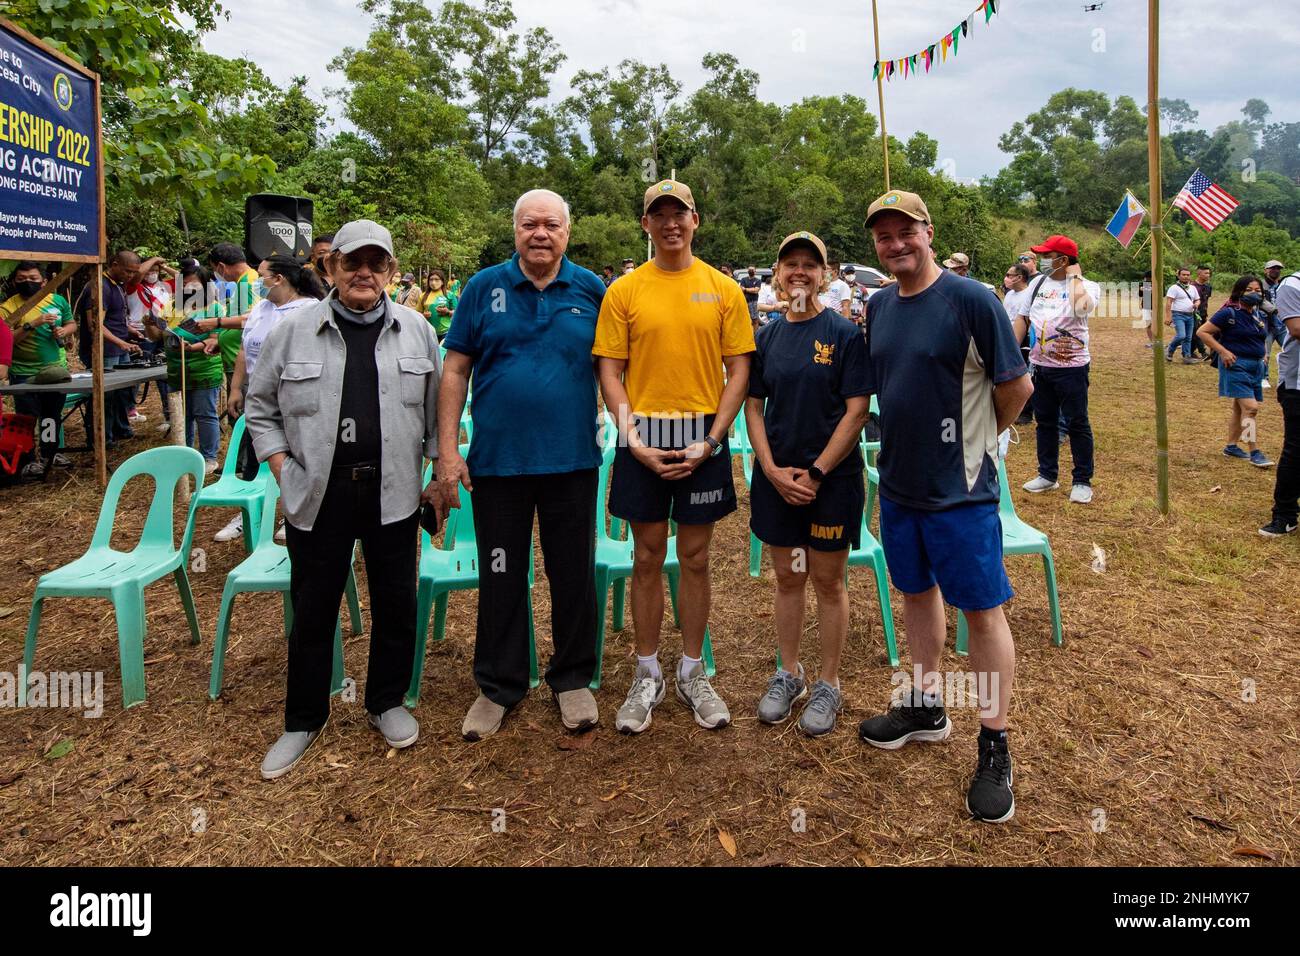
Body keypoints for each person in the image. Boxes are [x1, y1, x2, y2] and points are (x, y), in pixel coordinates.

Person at [856, 189, 1033, 824]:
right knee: (916, 593)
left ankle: (994, 741)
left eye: (907, 231)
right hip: (900, 487)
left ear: (928, 233)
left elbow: (1016, 385)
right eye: (884, 235)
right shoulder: (878, 304)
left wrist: (982, 444)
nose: (896, 243)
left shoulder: (971, 299)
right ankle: (925, 705)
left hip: (962, 492)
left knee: (982, 612)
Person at [246, 219, 441, 779]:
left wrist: (434, 475)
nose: (364, 273)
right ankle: (303, 718)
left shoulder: (418, 330)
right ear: (328, 267)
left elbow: (433, 416)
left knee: (397, 603)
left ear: (390, 272)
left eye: (377, 264)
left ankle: (385, 701)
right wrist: (284, 470)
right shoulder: (293, 329)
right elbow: (260, 410)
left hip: (395, 493)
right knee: (313, 609)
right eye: (353, 261)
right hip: (317, 494)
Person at [438, 189, 605, 741]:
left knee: (572, 573)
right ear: (515, 230)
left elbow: (615, 368)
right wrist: (446, 450)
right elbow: (456, 369)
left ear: (567, 232)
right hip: (498, 466)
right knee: (503, 573)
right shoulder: (484, 288)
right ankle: (498, 684)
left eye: (551, 225)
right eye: (529, 224)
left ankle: (573, 677)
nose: (540, 234)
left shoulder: (591, 290)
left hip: (572, 462)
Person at [594, 179, 754, 734]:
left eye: (679, 214)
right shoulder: (625, 290)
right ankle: (646, 674)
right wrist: (631, 436)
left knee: (695, 557)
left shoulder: (723, 289)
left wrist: (711, 440)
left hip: (701, 439)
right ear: (645, 225)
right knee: (644, 556)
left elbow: (740, 371)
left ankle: (691, 671)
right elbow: (609, 371)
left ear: (695, 220)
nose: (670, 224)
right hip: (642, 437)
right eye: (658, 215)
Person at [746, 231, 869, 737]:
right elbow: (754, 406)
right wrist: (773, 470)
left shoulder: (843, 334)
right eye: (790, 263)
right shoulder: (768, 336)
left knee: (828, 580)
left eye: (809, 265)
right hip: (777, 480)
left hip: (830, 482)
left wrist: (816, 472)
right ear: (778, 272)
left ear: (824, 274)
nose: (799, 272)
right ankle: (788, 673)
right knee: (789, 577)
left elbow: (857, 409)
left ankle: (829, 683)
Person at [214, 255, 327, 544]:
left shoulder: (309, 310)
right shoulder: (261, 308)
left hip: (294, 400)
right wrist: (237, 388)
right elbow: (244, 349)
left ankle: (294, 515)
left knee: (295, 459)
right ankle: (249, 512)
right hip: (260, 398)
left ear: (279, 279)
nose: (257, 282)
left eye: (261, 276)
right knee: (256, 455)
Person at [1015, 235, 1101, 504]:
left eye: (1047, 256)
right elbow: (1023, 318)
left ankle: (1082, 480)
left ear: (1063, 260)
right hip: (1040, 366)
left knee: (1077, 423)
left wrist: (1074, 277)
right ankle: (1047, 474)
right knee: (1046, 422)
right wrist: (1008, 351)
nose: (1041, 262)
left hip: (1072, 368)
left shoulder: (1087, 286)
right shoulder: (1038, 284)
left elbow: (1081, 307)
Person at [142, 265, 225, 474]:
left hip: (204, 369)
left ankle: (209, 457)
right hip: (176, 369)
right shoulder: (170, 307)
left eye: (193, 283)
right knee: (181, 414)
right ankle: (183, 455)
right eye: (184, 283)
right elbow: (156, 336)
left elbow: (215, 339)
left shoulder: (215, 309)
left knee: (204, 413)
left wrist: (191, 347)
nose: (188, 286)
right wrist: (149, 324)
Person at [1, 262, 77, 476]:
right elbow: (8, 340)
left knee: (51, 416)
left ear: (44, 281)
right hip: (24, 371)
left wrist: (64, 331)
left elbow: (72, 324)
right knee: (26, 417)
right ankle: (26, 459)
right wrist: (31, 324)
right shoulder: (8, 307)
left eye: (33, 279)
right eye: (22, 279)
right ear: (14, 281)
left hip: (54, 371)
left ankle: (49, 454)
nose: (27, 282)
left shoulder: (57, 300)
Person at [1196, 275, 1274, 468]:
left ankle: (1231, 446)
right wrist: (1223, 352)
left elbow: (1261, 338)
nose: (1255, 294)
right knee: (1251, 408)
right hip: (1236, 365)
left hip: (1256, 367)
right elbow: (1202, 332)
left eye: (1258, 291)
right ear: (1239, 292)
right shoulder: (1228, 313)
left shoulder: (1256, 315)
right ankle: (1254, 451)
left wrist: (1264, 354)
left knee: (1239, 408)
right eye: (1249, 290)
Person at [73, 250, 145, 445]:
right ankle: (101, 439)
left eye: (133, 272)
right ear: (114, 264)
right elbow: (95, 324)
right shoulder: (99, 286)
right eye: (127, 271)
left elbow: (115, 319)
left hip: (120, 348)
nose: (130, 276)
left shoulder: (118, 285)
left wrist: (130, 332)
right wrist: (121, 342)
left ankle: (120, 429)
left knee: (122, 393)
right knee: (105, 395)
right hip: (105, 350)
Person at [1261, 265, 1300, 536]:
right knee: (1296, 451)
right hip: (1298, 384)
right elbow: (1296, 328)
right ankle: (1285, 513)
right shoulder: (1292, 285)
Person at [199, 242, 261, 399]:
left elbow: (251, 321)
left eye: (214, 269)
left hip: (242, 363)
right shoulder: (244, 281)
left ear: (221, 266)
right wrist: (220, 339)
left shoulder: (248, 283)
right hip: (235, 358)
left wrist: (215, 322)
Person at [1164, 266, 1201, 365]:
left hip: (1190, 315)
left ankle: (1186, 356)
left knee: (1188, 338)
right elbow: (1168, 303)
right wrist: (1168, 316)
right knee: (1181, 335)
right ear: (1178, 275)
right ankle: (1169, 350)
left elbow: (1197, 299)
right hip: (1178, 314)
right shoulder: (1174, 288)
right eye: (1183, 275)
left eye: (1188, 275)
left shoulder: (1193, 288)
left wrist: (1197, 304)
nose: (1186, 277)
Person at [1261, 260, 1285, 389]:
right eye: (1272, 268)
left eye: (1278, 268)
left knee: (1290, 350)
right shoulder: (1261, 285)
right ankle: (1263, 377)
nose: (1276, 270)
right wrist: (1274, 310)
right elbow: (1260, 300)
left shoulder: (1283, 285)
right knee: (1265, 352)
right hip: (1267, 323)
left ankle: (1288, 376)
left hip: (1283, 324)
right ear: (1266, 270)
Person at [422, 270, 457, 338]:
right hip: (428, 332)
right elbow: (417, 313)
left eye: (436, 279)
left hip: (447, 332)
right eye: (431, 280)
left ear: (442, 282)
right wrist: (423, 315)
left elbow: (459, 313)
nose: (433, 282)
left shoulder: (450, 294)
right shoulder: (422, 296)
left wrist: (448, 312)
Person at [1190, 265, 1213, 360]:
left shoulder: (1208, 287)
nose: (1208, 275)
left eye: (1209, 273)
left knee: (1196, 333)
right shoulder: (1191, 286)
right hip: (1194, 313)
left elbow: (1206, 300)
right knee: (1198, 332)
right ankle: (1203, 352)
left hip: (1203, 313)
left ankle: (1190, 351)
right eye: (1206, 273)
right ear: (1199, 273)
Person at [1139, 271, 1154, 348]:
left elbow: (1163, 294)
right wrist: (1142, 289)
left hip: (1156, 306)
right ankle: (1152, 341)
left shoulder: (1158, 283)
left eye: (1147, 278)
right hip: (1146, 306)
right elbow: (1140, 294)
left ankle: (1157, 341)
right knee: (1148, 324)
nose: (1146, 279)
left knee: (1155, 325)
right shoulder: (1144, 283)